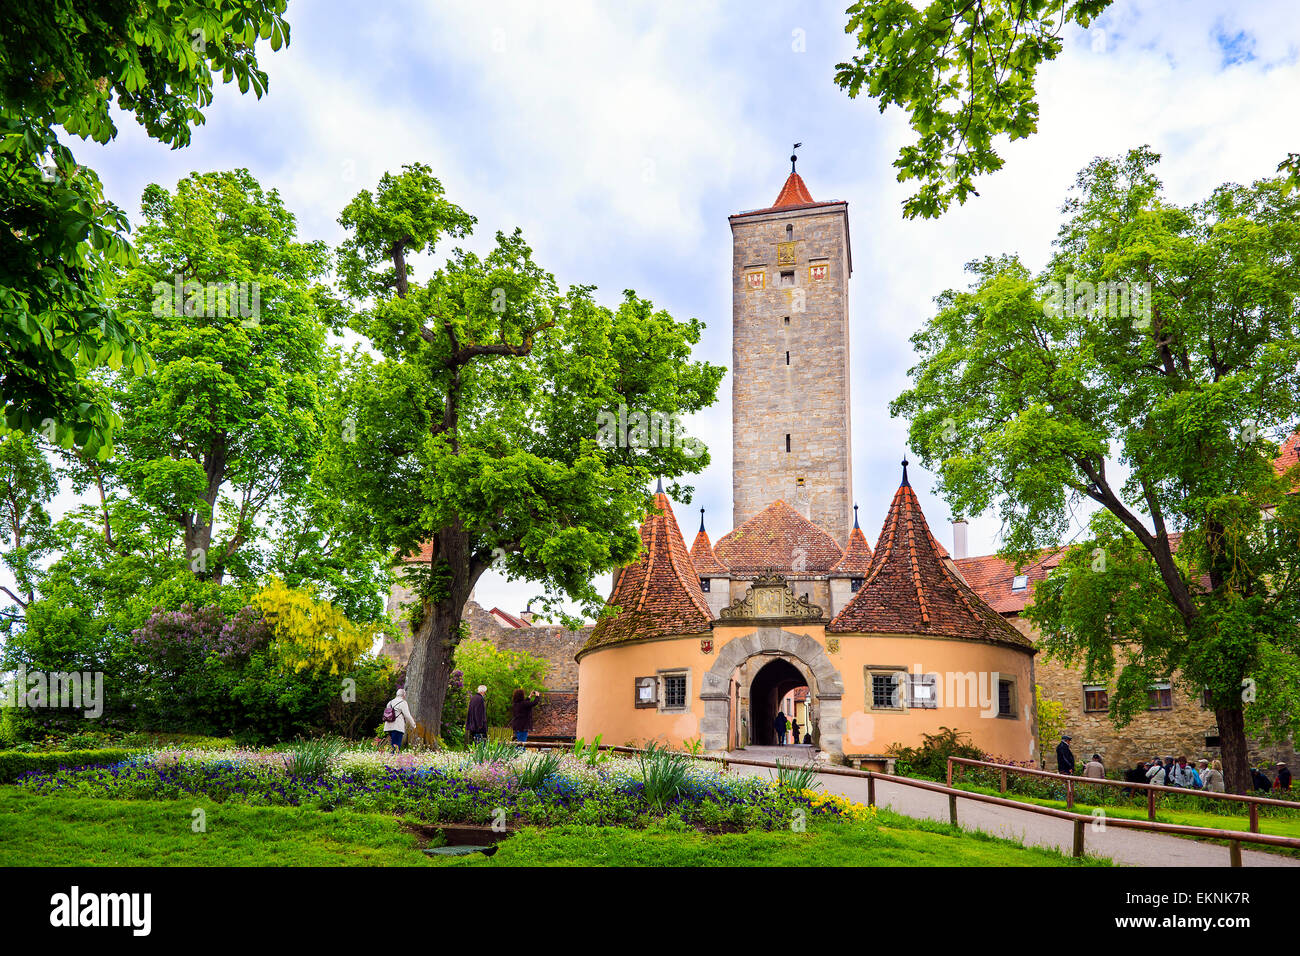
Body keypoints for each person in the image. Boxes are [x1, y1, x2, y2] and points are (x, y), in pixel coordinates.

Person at [382, 687, 417, 753]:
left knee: (393, 744)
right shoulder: (403, 702)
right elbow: (407, 715)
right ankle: (394, 760)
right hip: (397, 726)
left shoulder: (390, 702)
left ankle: (391, 759)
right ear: (404, 695)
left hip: (389, 726)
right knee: (396, 745)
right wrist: (413, 724)